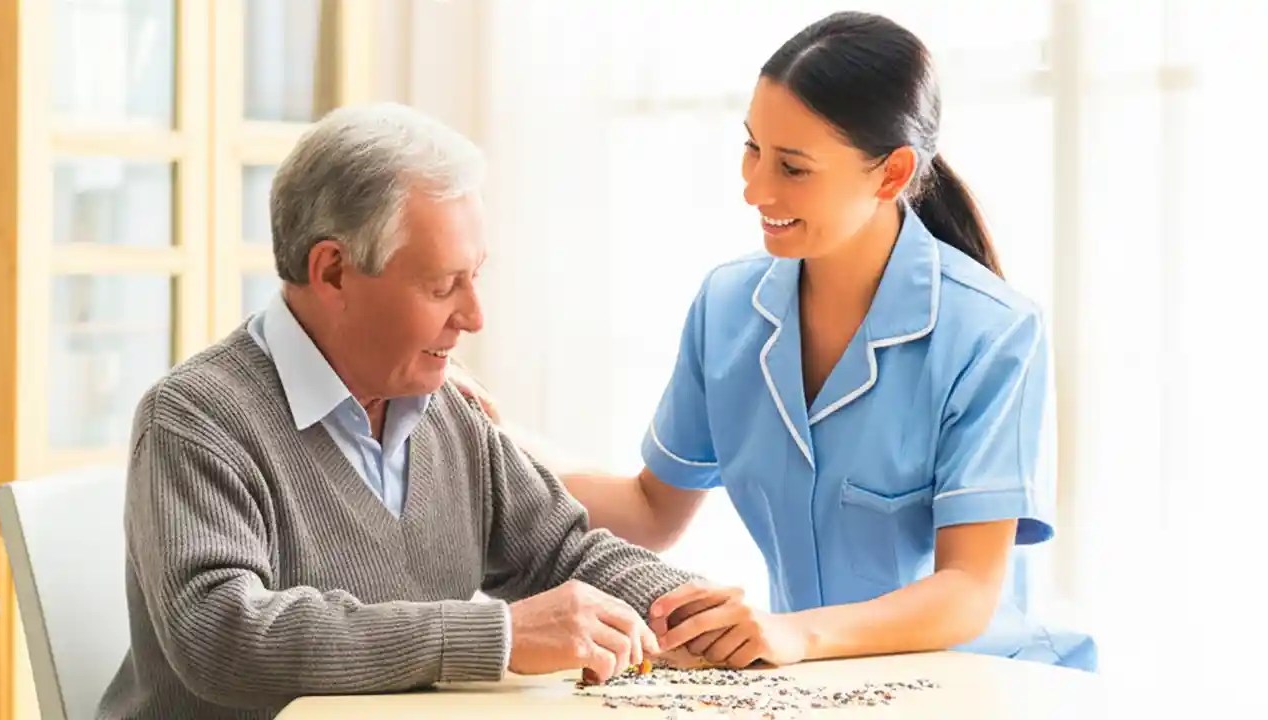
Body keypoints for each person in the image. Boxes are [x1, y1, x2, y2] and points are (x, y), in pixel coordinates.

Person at [459, 12, 1096, 672]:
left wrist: (794, 634)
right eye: (753, 149)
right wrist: (485, 440)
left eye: (792, 167)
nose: (754, 188)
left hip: (985, 682)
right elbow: (650, 510)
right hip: (824, 687)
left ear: (891, 174)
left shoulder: (993, 333)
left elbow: (966, 591)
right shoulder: (727, 308)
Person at [98, 103, 744, 719]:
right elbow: (220, 634)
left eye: (475, 276)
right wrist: (497, 636)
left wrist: (692, 612)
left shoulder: (444, 406)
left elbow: (560, 551)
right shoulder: (194, 418)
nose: (474, 316)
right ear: (333, 272)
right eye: (442, 286)